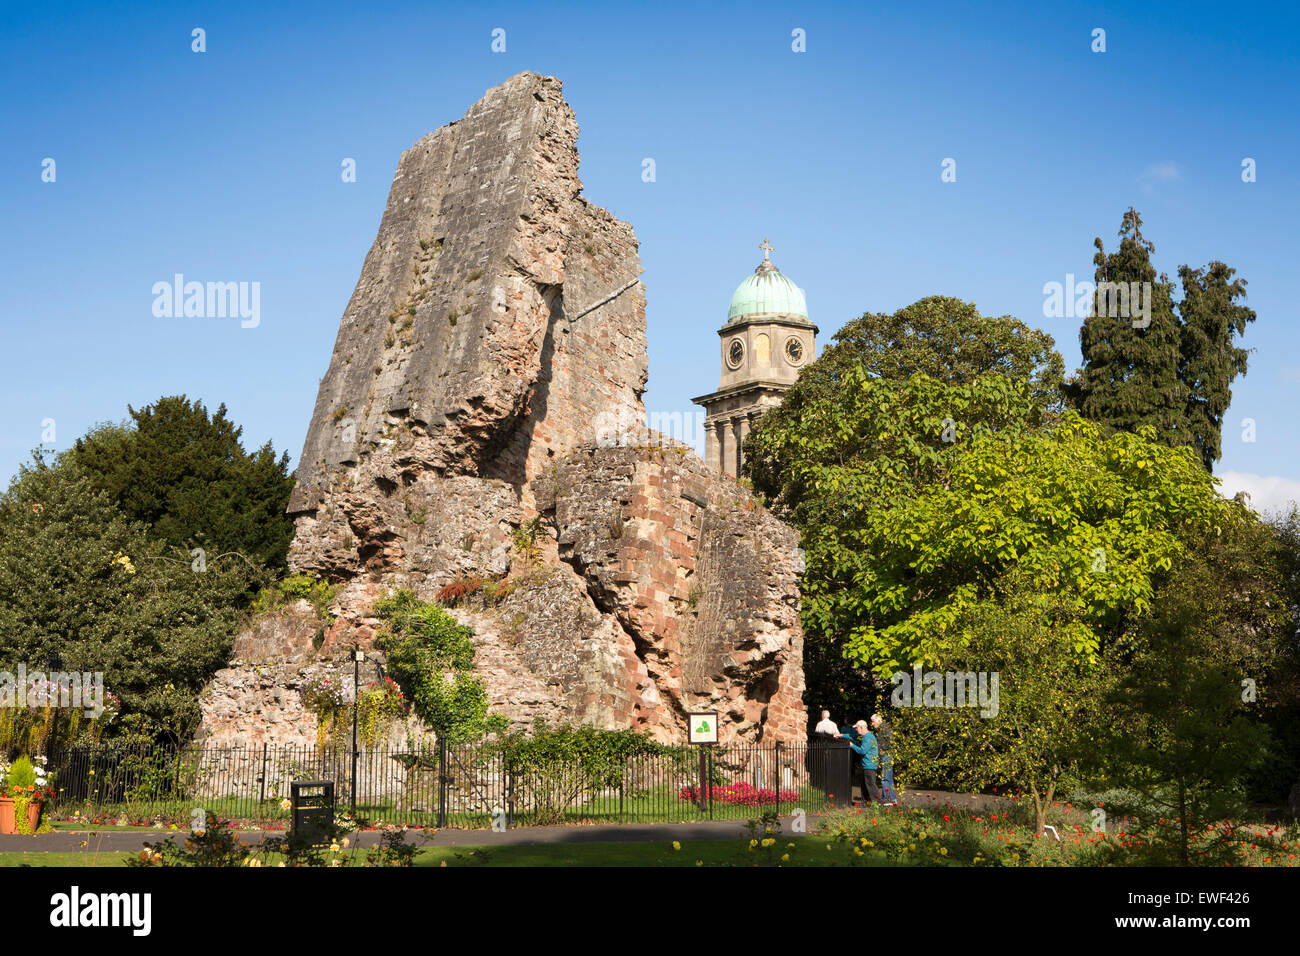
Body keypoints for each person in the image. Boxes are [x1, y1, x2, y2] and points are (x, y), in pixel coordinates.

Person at [845, 719, 881, 804]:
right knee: (864, 784)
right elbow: (852, 736)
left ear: (861, 727)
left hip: (869, 765)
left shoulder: (868, 737)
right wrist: (841, 735)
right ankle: (865, 802)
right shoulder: (865, 736)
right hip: (867, 764)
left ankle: (877, 802)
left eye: (857, 728)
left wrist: (852, 745)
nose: (856, 730)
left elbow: (862, 751)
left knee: (870, 784)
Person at [872, 713, 896, 805]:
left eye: (873, 721)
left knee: (885, 778)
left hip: (887, 755)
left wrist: (882, 749)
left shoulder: (884, 728)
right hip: (886, 755)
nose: (872, 724)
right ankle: (890, 798)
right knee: (888, 777)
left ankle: (887, 799)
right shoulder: (882, 728)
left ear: (878, 720)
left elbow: (891, 740)